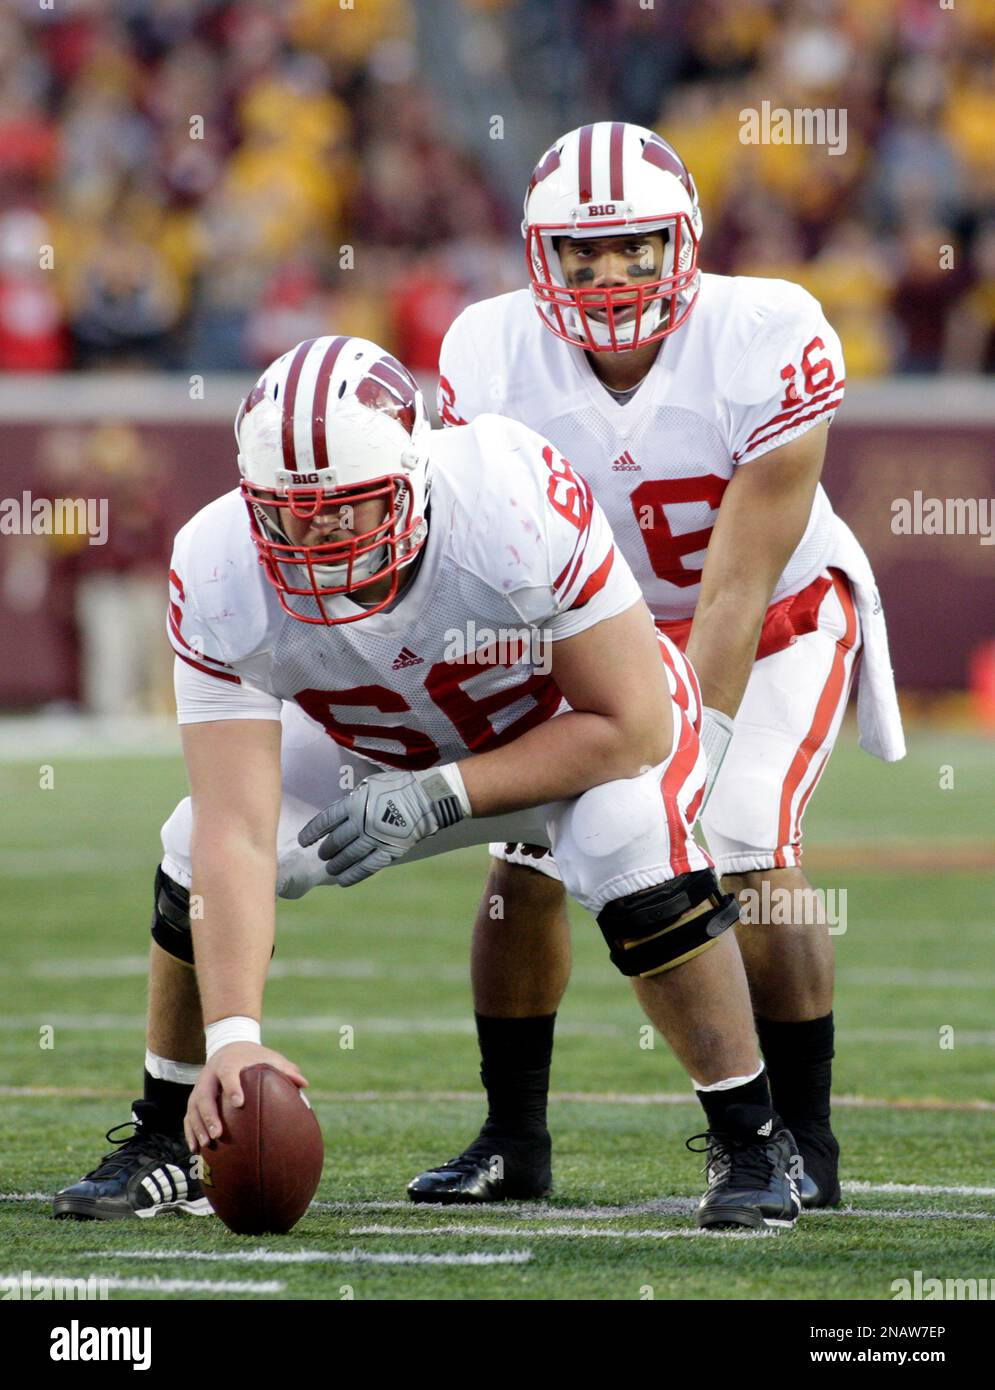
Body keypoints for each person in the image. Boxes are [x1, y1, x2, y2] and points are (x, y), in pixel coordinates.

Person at [53, 334, 802, 1231]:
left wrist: (444, 794)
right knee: (188, 844)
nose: (316, 534)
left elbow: (630, 727)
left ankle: (753, 1140)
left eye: (348, 508)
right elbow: (236, 829)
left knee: (621, 841)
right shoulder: (216, 564)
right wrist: (235, 1038)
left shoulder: (507, 497)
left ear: (414, 477)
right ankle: (169, 1131)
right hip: (378, 748)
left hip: (571, 742)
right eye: (291, 512)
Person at [410, 122, 906, 1209]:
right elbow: (497, 562)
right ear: (539, 256)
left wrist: (689, 754)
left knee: (734, 841)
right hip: (597, 638)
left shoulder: (765, 331)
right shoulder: (488, 351)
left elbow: (732, 586)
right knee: (525, 867)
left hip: (771, 619)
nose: (606, 272)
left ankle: (797, 1141)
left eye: (632, 246)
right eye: (580, 253)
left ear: (679, 240)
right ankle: (512, 1141)